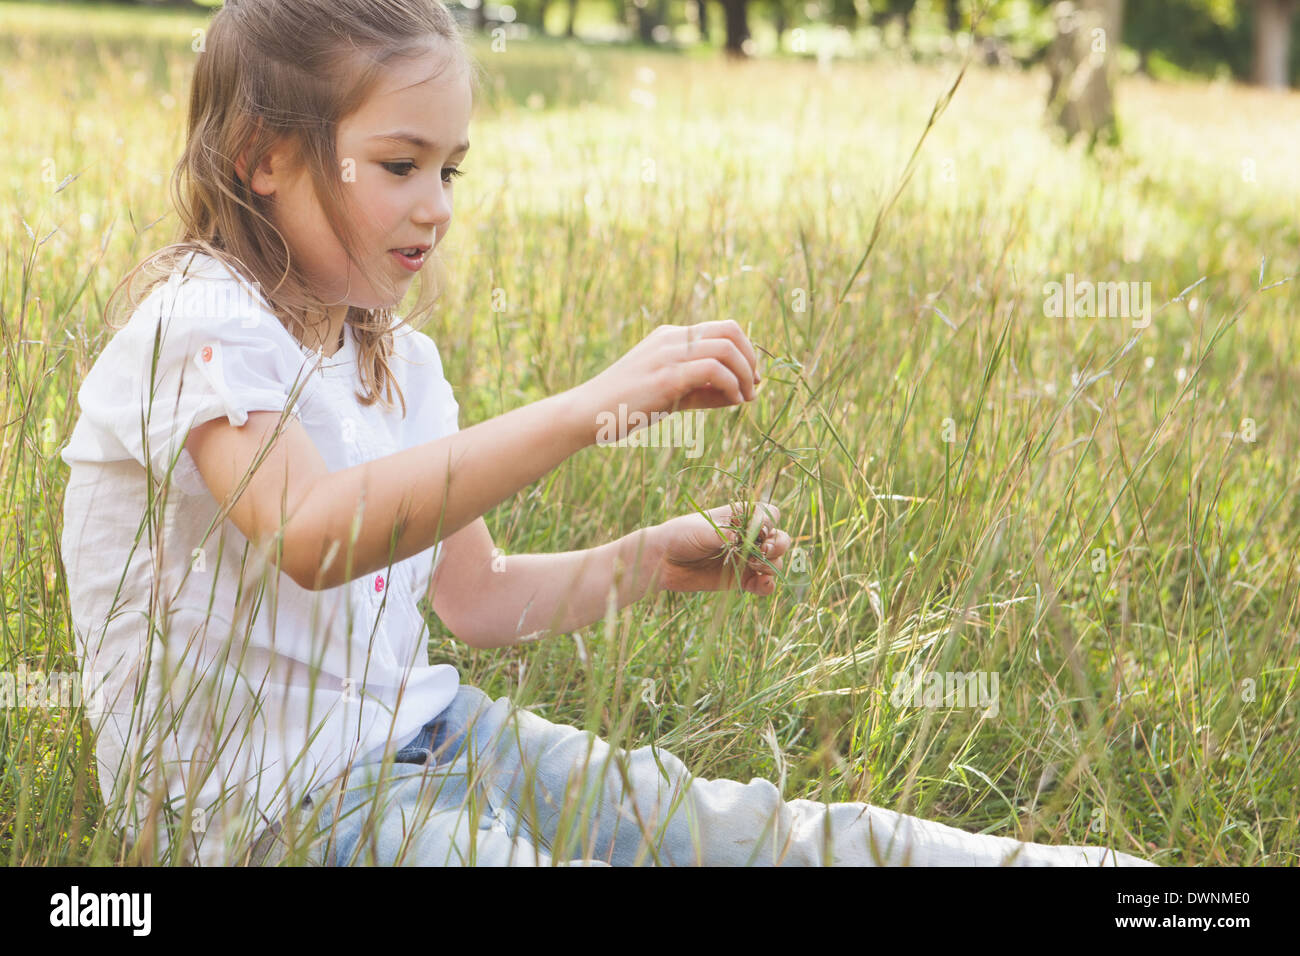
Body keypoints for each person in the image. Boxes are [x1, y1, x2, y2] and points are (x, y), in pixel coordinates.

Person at [59, 0, 1154, 867]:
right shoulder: (200, 325)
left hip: (437, 734)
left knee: (728, 831)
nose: (437, 204)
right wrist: (592, 405)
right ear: (263, 154)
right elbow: (312, 532)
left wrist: (642, 562)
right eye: (399, 165)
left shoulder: (394, 359)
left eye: (452, 168)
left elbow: (473, 597)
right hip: (261, 816)